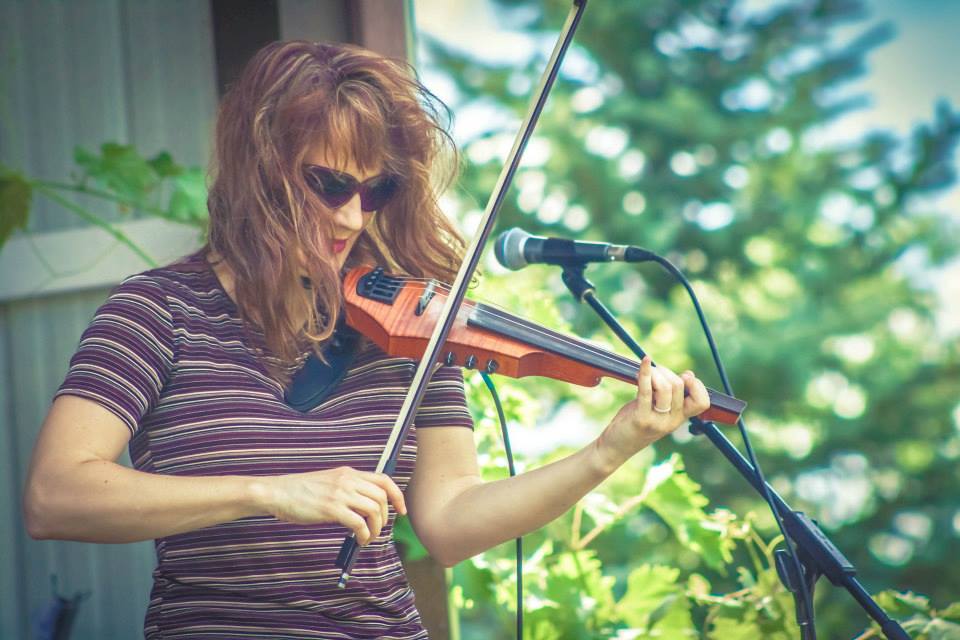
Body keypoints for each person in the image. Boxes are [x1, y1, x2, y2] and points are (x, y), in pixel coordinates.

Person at [22, 41, 710, 639]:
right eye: (328, 184)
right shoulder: (158, 312)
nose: (352, 215)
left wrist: (607, 451)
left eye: (376, 190)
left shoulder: (411, 331)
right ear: (260, 173)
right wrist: (269, 492)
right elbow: (55, 496)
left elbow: (450, 524)